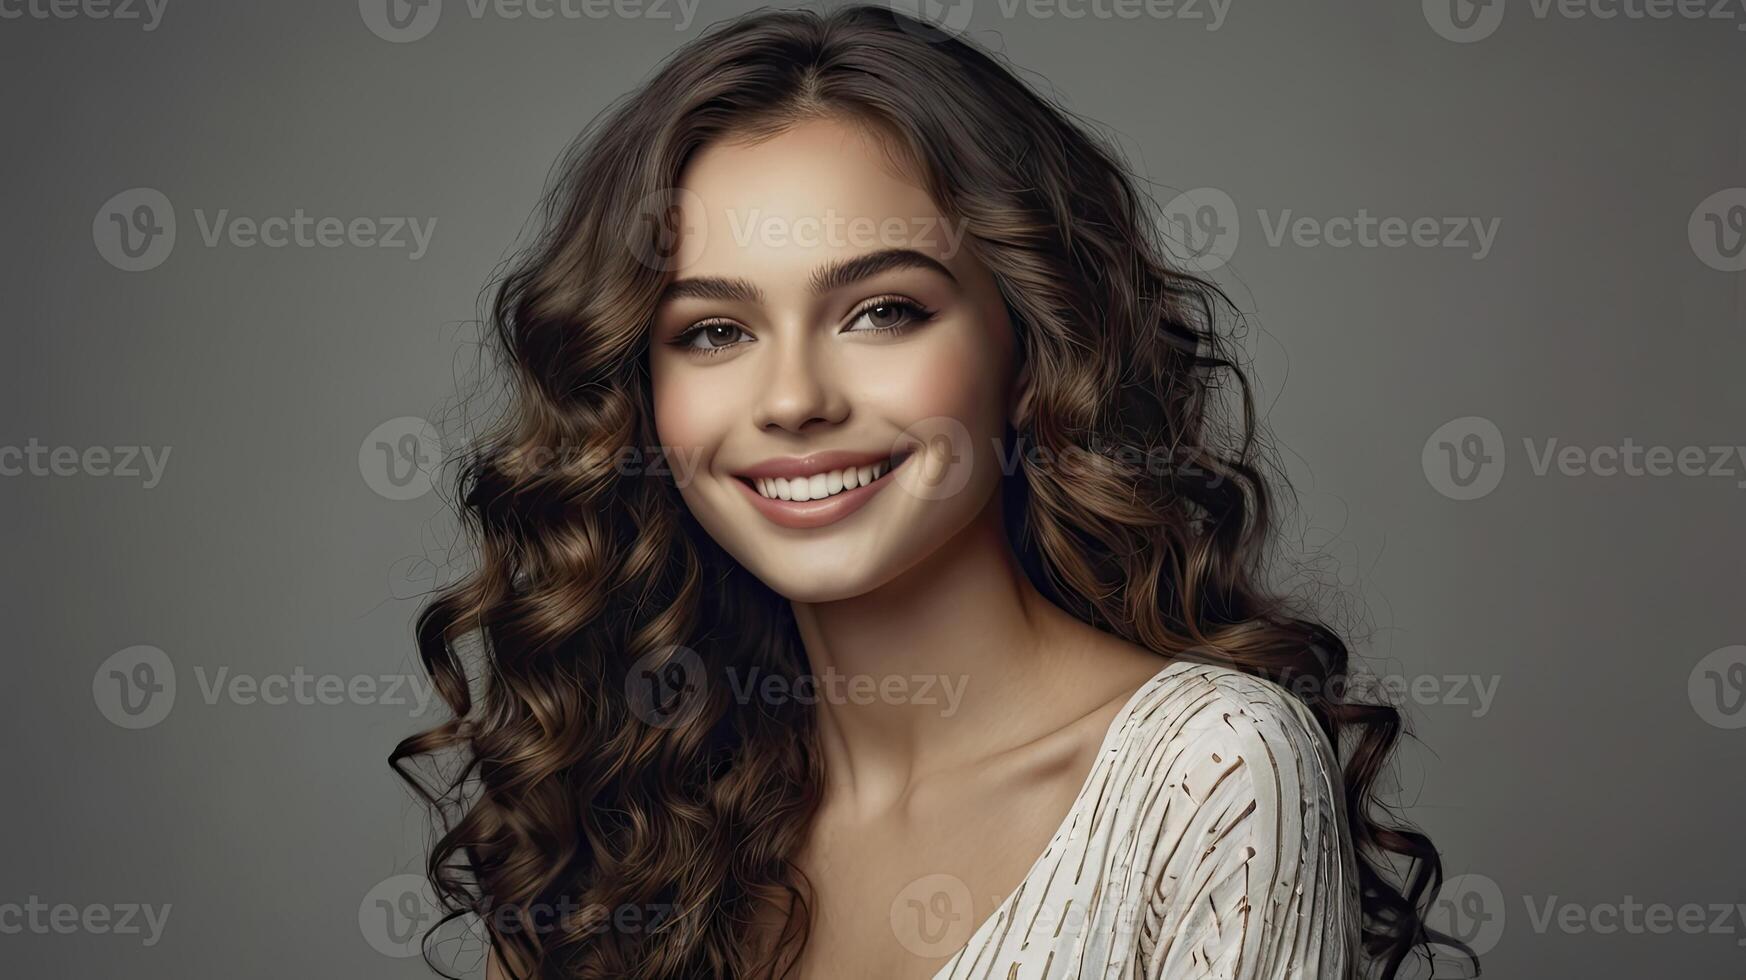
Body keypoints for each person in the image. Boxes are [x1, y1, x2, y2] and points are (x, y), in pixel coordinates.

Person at [392, 6, 1456, 978]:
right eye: (715, 330)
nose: (794, 398)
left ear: (1029, 342)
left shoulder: (1214, 769)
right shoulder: (615, 812)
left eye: (883, 311)